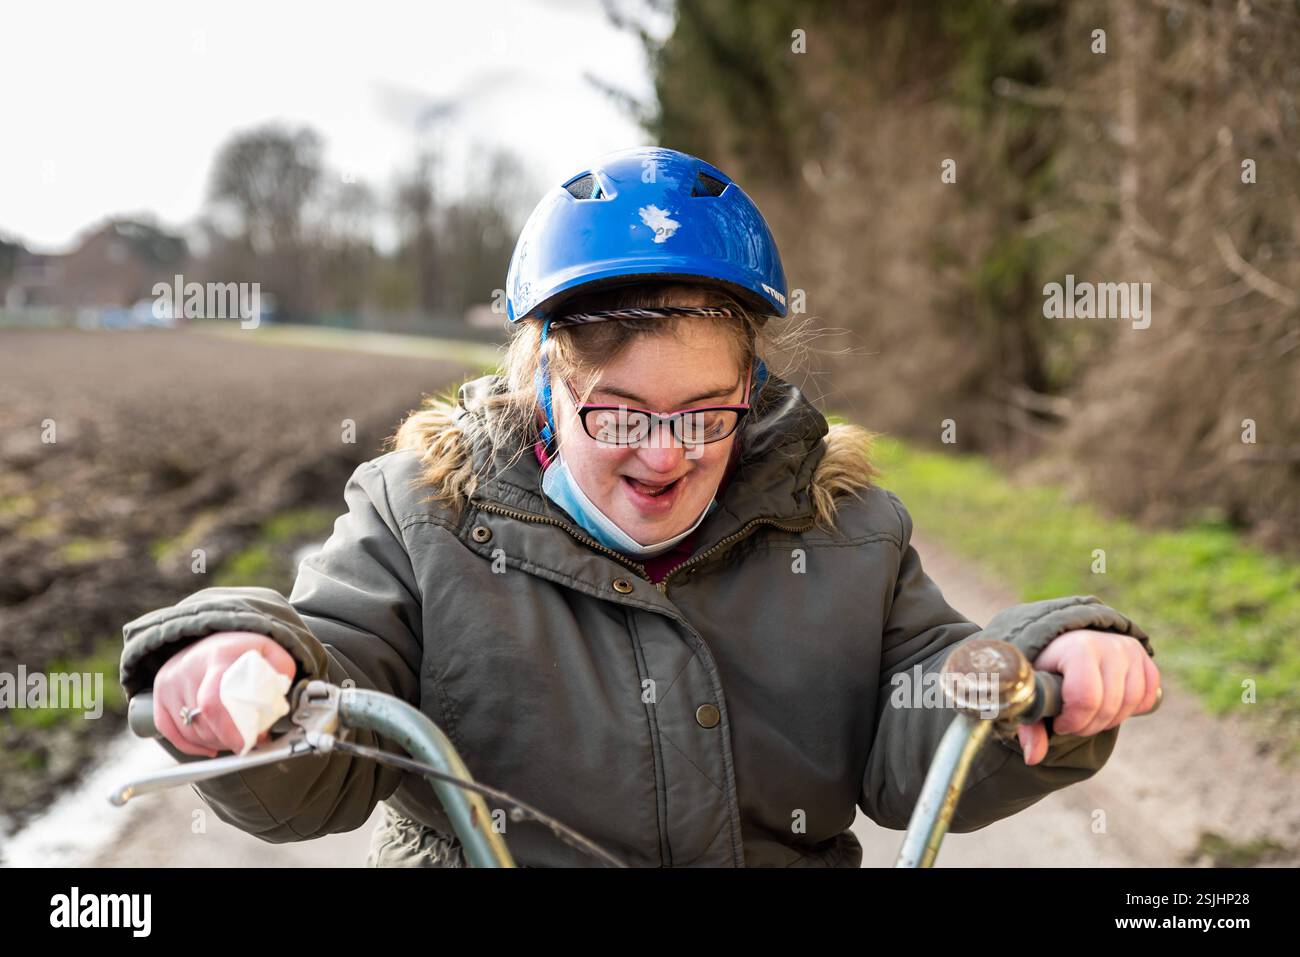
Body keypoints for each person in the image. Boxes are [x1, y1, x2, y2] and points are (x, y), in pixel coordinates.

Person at [120, 146, 1160, 867]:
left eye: (707, 413)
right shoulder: (417, 521)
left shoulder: (843, 532)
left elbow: (917, 739)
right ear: (545, 387)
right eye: (618, 415)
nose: (665, 455)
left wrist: (1044, 668)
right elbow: (329, 721)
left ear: (751, 390)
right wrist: (249, 672)